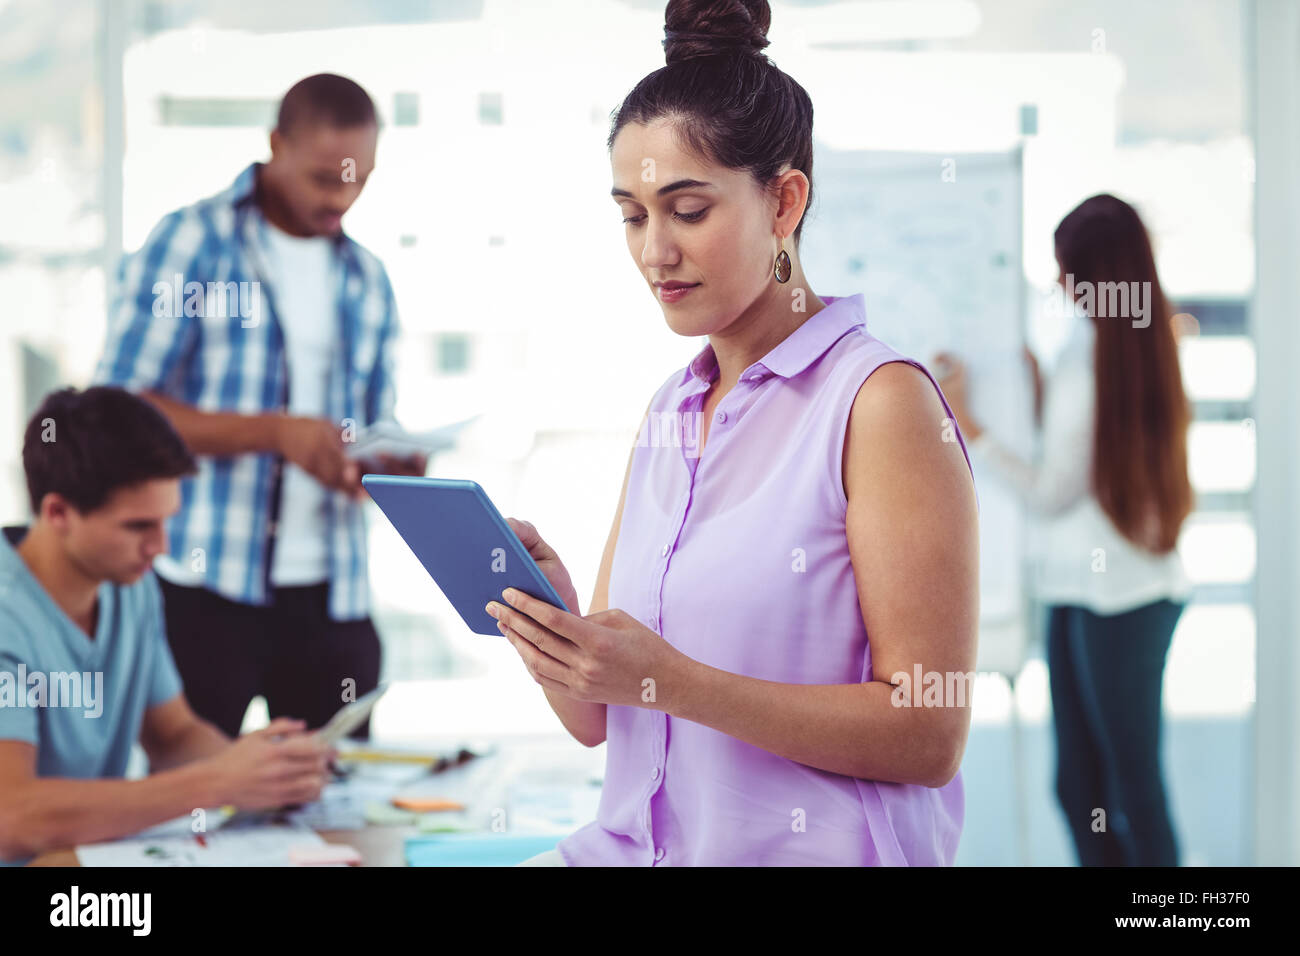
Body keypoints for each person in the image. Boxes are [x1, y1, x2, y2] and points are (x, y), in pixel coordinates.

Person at [494, 0, 980, 866]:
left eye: (687, 210)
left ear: (784, 201)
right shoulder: (670, 410)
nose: (655, 252)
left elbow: (928, 733)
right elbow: (600, 721)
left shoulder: (878, 404)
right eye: (633, 216)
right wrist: (553, 622)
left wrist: (672, 681)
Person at [93, 74, 424, 739]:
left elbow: (369, 422)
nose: (341, 198)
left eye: (358, 180)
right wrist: (275, 433)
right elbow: (116, 410)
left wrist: (382, 463)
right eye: (324, 178)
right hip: (206, 591)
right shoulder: (192, 241)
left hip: (333, 597)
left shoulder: (368, 277)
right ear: (276, 145)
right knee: (191, 788)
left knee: (338, 794)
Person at [937, 194, 1194, 866]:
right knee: (1093, 787)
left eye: (1067, 267)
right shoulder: (1123, 344)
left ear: (1096, 271)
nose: (1058, 281)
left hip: (1117, 600)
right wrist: (1038, 387)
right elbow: (1084, 457)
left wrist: (970, 426)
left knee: (1119, 788)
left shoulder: (1094, 358)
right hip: (1102, 593)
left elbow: (1052, 494)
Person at [0, 387, 333, 865]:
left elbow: (172, 735)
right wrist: (217, 782)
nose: (160, 547)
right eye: (139, 526)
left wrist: (265, 771)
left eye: (166, 521)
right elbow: (12, 817)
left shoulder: (130, 586)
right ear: (58, 513)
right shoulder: (9, 614)